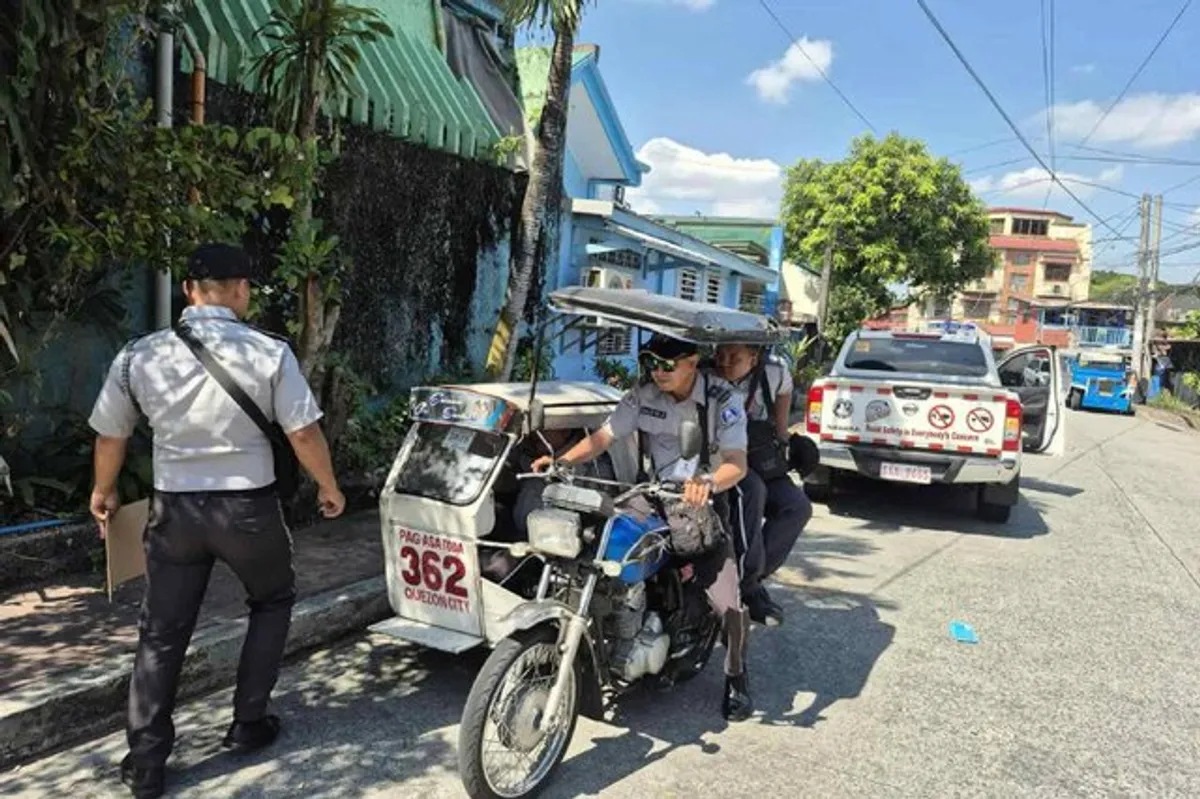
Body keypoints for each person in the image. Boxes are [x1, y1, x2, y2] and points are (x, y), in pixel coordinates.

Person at [87, 243, 346, 799]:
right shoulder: (268, 352)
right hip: (248, 510)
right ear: (243, 289)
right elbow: (302, 433)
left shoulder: (139, 355)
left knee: (161, 632)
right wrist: (328, 487)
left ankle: (147, 762)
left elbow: (112, 434)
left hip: (174, 512)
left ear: (187, 291)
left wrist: (103, 491)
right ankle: (247, 722)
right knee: (272, 600)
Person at [531, 333, 754, 722]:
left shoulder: (723, 400)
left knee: (727, 602)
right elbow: (603, 437)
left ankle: (736, 676)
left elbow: (737, 461)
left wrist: (708, 483)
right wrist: (562, 461)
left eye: (668, 364)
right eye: (651, 362)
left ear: (691, 361)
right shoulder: (642, 395)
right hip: (650, 495)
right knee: (597, 550)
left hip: (703, 503)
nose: (658, 371)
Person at [712, 343, 812, 627]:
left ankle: (752, 574)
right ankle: (749, 586)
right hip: (723, 459)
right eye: (721, 356)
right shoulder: (706, 378)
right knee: (754, 491)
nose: (726, 363)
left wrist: (785, 439)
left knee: (797, 506)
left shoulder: (774, 374)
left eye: (735, 358)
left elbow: (782, 404)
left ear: (754, 358)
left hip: (759, 457)